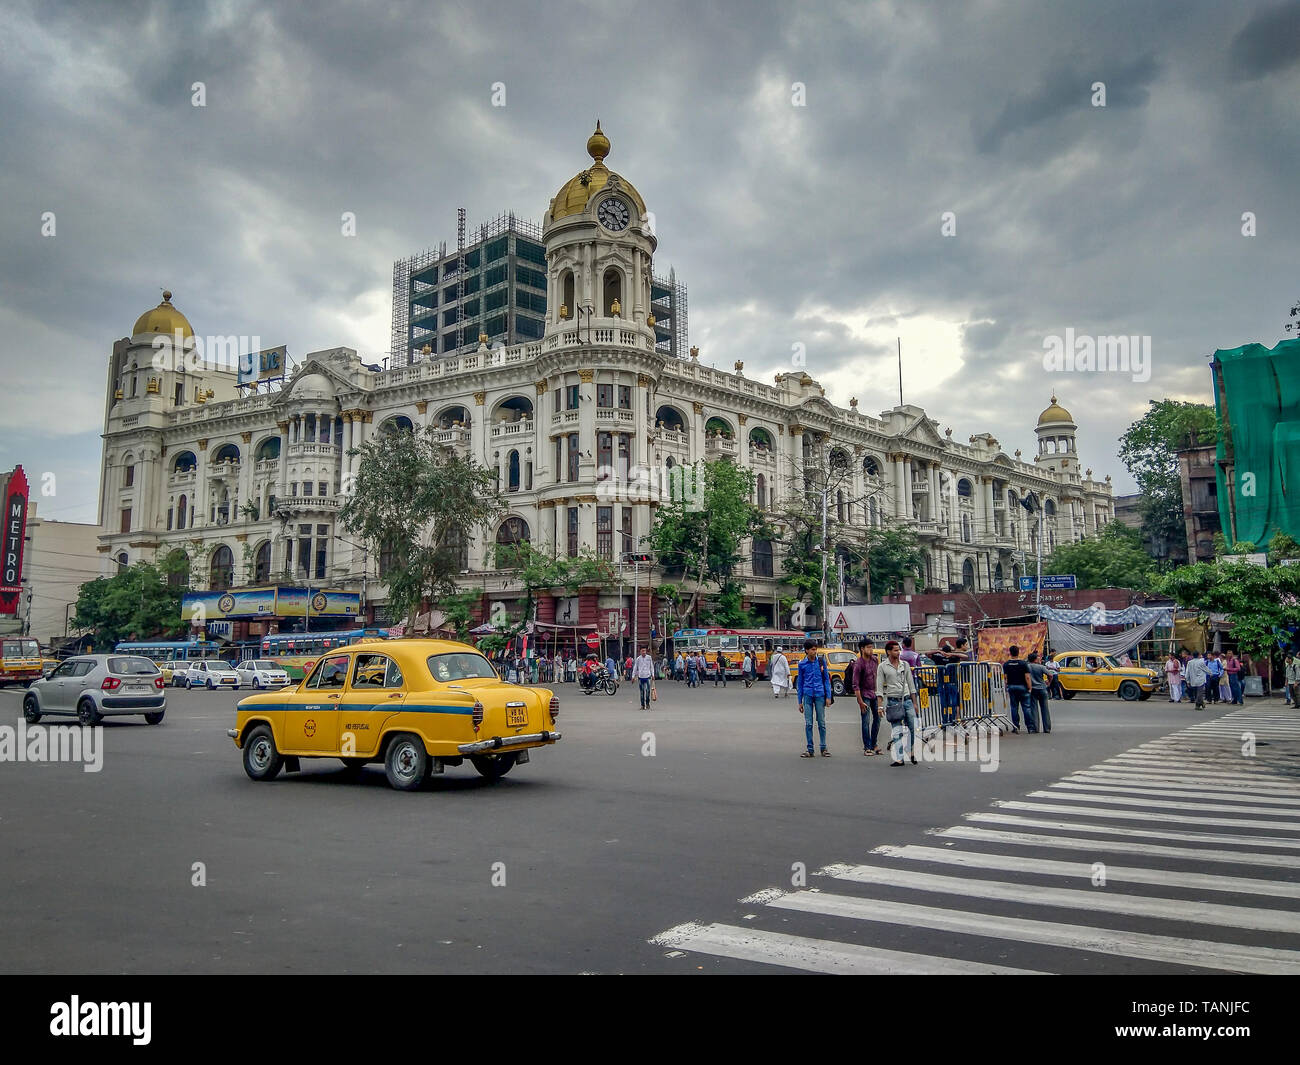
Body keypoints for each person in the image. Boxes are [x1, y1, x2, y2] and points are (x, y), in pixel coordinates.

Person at [879, 640, 919, 766]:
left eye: (898, 649)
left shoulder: (905, 665)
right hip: (892, 701)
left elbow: (911, 685)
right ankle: (899, 758)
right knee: (897, 731)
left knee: (913, 727)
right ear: (889, 652)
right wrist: (880, 705)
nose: (898, 652)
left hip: (907, 700)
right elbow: (879, 688)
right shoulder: (883, 667)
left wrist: (915, 703)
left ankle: (911, 751)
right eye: (895, 650)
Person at [795, 640, 834, 757]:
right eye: (812, 649)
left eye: (815, 649)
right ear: (806, 650)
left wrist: (828, 696)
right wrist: (799, 701)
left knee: (821, 722)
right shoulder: (802, 664)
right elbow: (800, 683)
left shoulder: (821, 662)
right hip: (807, 695)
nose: (814, 651)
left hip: (820, 695)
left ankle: (823, 747)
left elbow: (826, 680)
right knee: (808, 723)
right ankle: (810, 749)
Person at [852, 638, 883, 755]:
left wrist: (880, 694)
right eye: (868, 647)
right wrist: (860, 701)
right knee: (865, 721)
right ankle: (867, 747)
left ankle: (874, 744)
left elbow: (879, 678)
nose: (871, 649)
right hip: (864, 695)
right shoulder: (858, 664)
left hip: (875, 693)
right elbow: (855, 684)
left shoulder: (875, 660)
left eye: (872, 647)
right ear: (862, 649)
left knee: (878, 719)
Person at [1002, 645, 1035, 734]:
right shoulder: (1023, 664)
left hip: (1012, 687)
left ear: (1010, 652)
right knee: (1026, 708)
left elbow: (1005, 678)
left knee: (1014, 707)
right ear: (1018, 652)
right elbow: (1027, 677)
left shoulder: (1006, 664)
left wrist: (1006, 688)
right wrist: (1029, 687)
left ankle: (1016, 727)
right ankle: (1030, 727)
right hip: (1023, 687)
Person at [1026, 651, 1051, 734]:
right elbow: (1050, 675)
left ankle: (1035, 728)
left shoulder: (1027, 667)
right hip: (1042, 689)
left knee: (1034, 709)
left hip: (1032, 689)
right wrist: (1048, 682)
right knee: (1045, 709)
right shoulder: (1041, 667)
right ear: (1035, 659)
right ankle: (1047, 728)